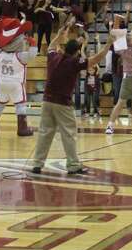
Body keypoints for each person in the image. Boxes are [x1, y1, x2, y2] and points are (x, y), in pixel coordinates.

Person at [30, 25, 110, 175]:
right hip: (62, 103)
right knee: (69, 133)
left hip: (47, 100)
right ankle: (73, 165)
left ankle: (37, 164)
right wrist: (108, 44)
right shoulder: (74, 63)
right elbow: (96, 59)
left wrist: (59, 34)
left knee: (45, 132)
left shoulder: (54, 57)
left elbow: (51, 46)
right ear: (77, 52)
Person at [0, 17, 37, 137]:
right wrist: (33, 44)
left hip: (1, 83)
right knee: (20, 105)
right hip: (16, 84)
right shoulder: (21, 56)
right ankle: (22, 129)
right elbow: (32, 55)